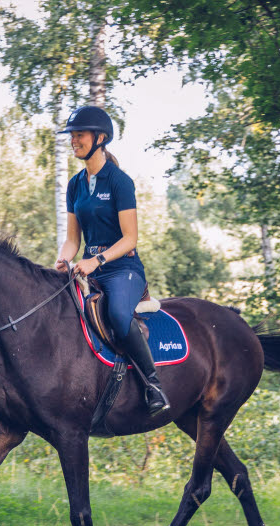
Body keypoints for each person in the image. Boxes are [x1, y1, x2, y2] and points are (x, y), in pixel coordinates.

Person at [53, 105, 169, 416]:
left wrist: (97, 260)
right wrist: (64, 259)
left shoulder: (120, 182)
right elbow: (73, 240)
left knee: (118, 315)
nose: (74, 140)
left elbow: (131, 238)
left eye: (80, 135)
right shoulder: (75, 184)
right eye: (72, 136)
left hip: (122, 270)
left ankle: (153, 384)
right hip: (90, 270)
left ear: (101, 138)